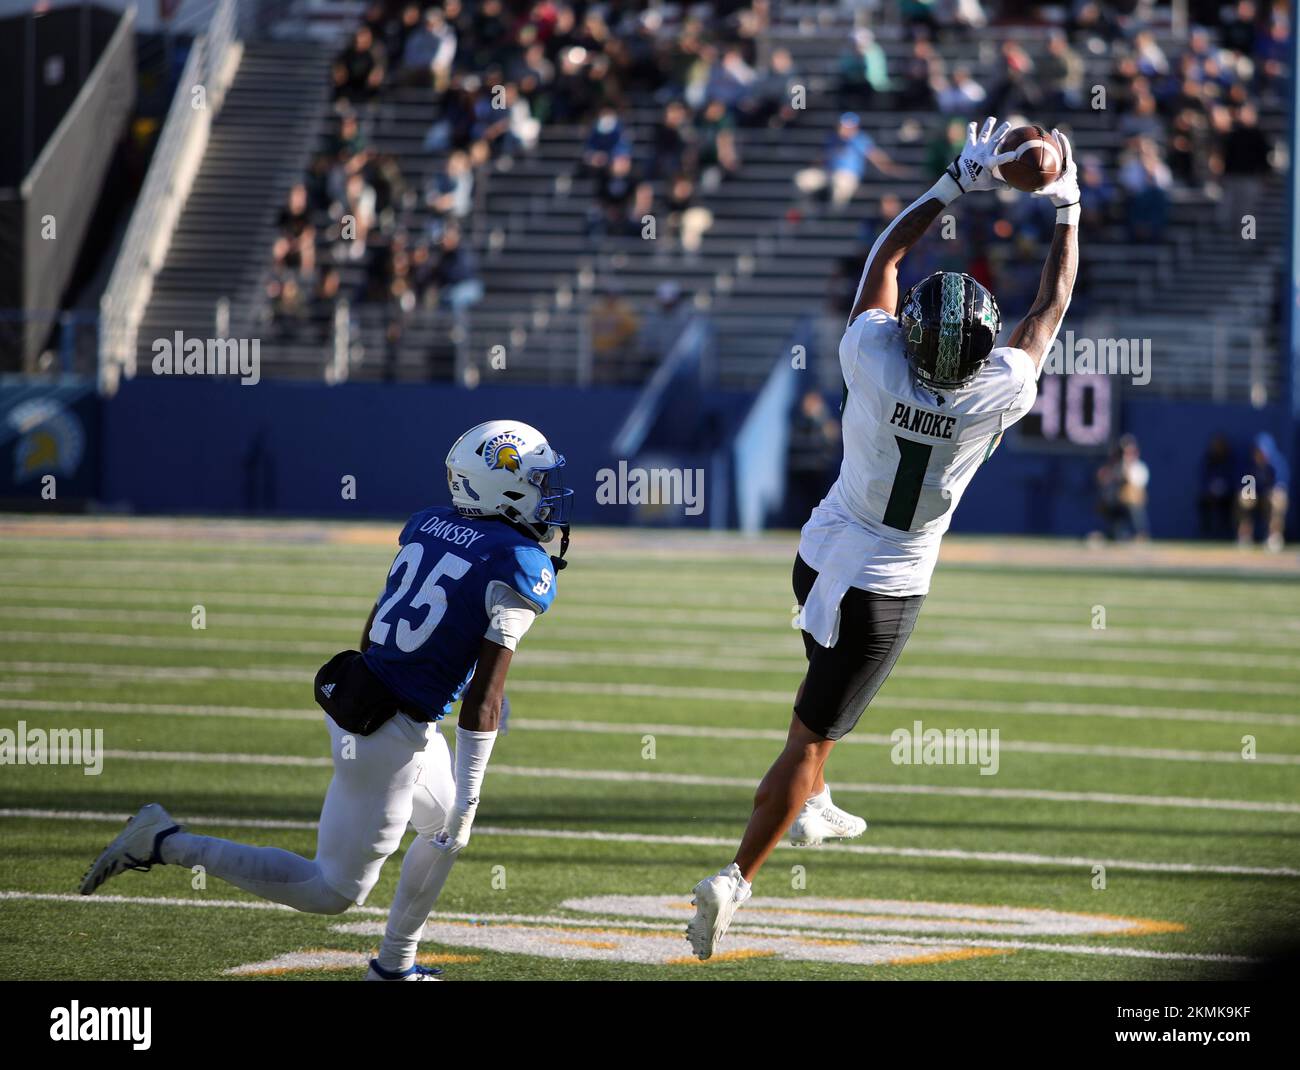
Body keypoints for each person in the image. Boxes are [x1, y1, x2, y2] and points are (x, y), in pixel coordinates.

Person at [686, 117, 1080, 960]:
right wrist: (1069, 201)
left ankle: (814, 798)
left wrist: (955, 180)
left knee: (817, 710)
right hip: (886, 588)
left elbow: (883, 264)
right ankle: (737, 879)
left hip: (821, 551)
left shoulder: (872, 354)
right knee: (806, 739)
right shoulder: (996, 394)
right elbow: (1050, 306)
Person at [79, 422, 573, 981]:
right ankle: (166, 842)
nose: (548, 492)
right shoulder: (519, 563)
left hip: (370, 697)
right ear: (499, 485)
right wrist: (470, 797)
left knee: (441, 827)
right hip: (390, 733)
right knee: (333, 890)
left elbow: (377, 624)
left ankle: (395, 965)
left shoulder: (430, 523)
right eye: (537, 479)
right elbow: (484, 698)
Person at [1238, 431, 1290, 551]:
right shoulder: (1249, 463)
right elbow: (1245, 483)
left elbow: (1280, 487)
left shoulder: (1277, 463)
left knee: (1278, 499)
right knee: (1245, 498)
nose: (1260, 454)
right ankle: (1245, 536)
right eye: (1258, 451)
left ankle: (1274, 537)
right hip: (1255, 496)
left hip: (1269, 497)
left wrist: (1273, 494)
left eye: (1263, 451)